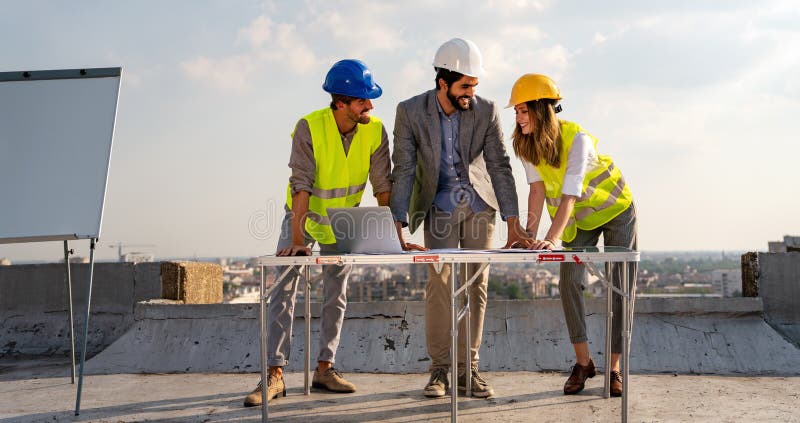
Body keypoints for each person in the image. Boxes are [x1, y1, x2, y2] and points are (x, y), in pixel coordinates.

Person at [244, 59, 392, 407]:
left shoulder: (375, 130)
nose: (370, 106)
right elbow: (301, 185)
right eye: (362, 100)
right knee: (284, 290)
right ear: (341, 102)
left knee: (336, 294)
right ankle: (275, 374)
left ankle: (325, 369)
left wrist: (392, 236)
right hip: (303, 217)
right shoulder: (309, 127)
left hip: (343, 221)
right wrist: (297, 241)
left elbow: (383, 185)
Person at [390, 38, 529, 398]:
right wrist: (397, 226)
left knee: (476, 285)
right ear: (443, 82)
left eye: (474, 86)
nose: (471, 93)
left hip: (480, 204)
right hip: (438, 206)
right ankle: (439, 370)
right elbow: (403, 169)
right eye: (465, 86)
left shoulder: (486, 110)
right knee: (440, 285)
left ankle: (469, 370)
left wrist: (513, 223)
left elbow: (499, 166)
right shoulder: (410, 112)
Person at [507, 73, 637, 397]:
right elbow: (537, 191)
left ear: (542, 109)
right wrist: (529, 236)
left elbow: (569, 196)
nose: (519, 118)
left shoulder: (577, 139)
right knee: (568, 282)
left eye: (524, 111)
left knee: (620, 288)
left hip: (615, 209)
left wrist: (550, 240)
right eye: (517, 111)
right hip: (578, 221)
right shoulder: (525, 144)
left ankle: (614, 369)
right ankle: (583, 363)